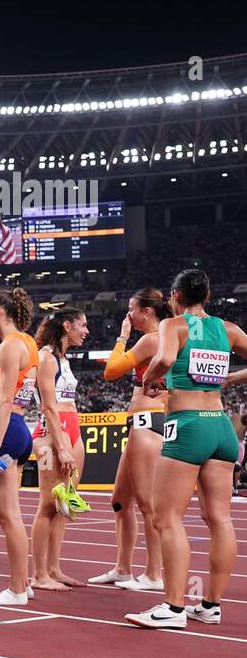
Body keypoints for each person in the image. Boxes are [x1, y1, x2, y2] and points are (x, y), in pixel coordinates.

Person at [126, 269, 245, 629]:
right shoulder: (227, 329)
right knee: (219, 519)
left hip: (188, 425)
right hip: (221, 425)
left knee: (166, 517)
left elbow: (163, 360)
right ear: (207, 295)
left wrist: (149, 381)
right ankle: (211, 605)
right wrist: (229, 378)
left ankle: (174, 608)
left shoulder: (174, 325)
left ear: (175, 297)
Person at [91, 289, 171, 590]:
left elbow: (111, 372)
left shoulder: (151, 339)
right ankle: (123, 569)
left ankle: (153, 574)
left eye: (131, 309)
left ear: (147, 312)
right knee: (120, 502)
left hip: (148, 424)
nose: (128, 315)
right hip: (144, 424)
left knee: (148, 505)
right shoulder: (167, 337)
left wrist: (122, 336)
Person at [0, 287, 38, 606]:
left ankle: (16, 589)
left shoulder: (11, 347)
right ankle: (22, 583)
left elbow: (3, 401)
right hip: (17, 431)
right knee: (3, 513)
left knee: (9, 515)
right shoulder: (24, 343)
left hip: (6, 430)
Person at [28, 307, 90, 591]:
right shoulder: (45, 358)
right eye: (82, 325)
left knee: (64, 503)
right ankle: (39, 573)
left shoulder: (63, 359)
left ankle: (54, 568)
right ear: (67, 326)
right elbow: (48, 407)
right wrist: (61, 447)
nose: (86, 330)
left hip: (72, 429)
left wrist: (71, 442)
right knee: (48, 504)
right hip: (50, 433)